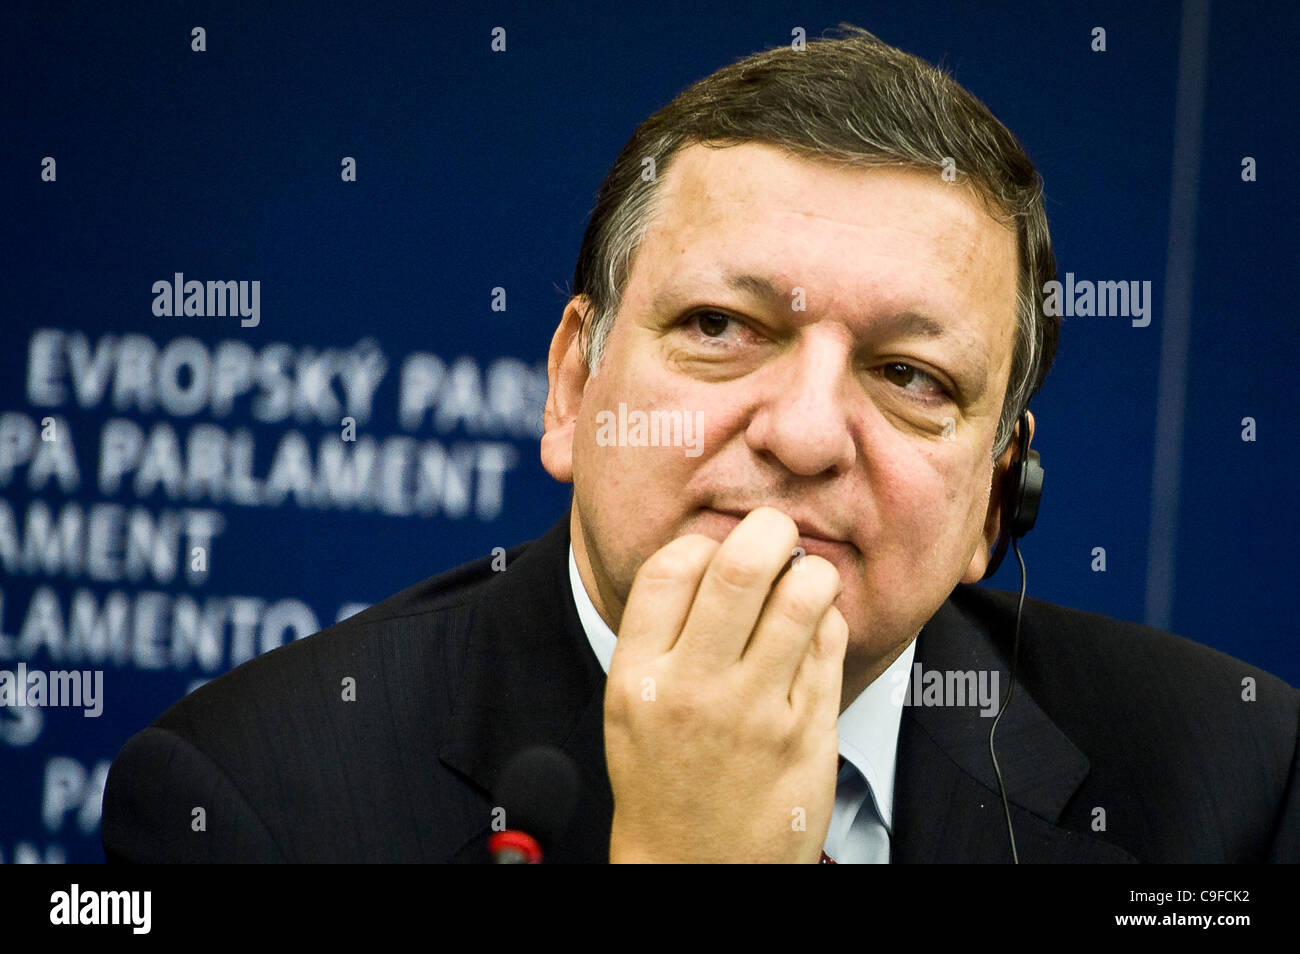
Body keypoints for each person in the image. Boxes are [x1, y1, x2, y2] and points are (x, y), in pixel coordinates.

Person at [101, 25, 1299, 863]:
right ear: (572, 386)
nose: (802, 432)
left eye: (909, 375)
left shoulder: (1227, 775)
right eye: (722, 327)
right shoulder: (257, 804)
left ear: (999, 497)